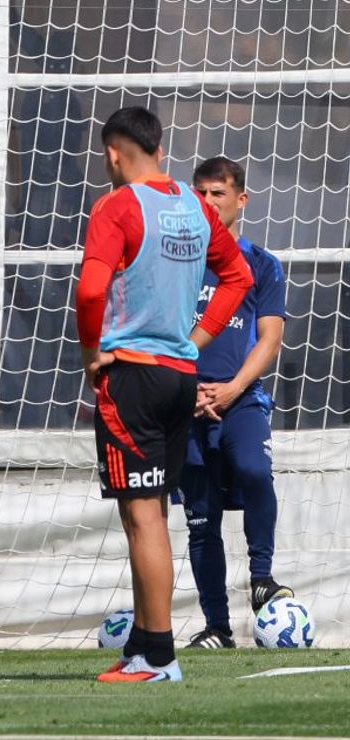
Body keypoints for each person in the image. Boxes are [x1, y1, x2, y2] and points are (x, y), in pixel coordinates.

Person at [75, 107, 253, 682]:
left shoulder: (116, 205)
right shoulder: (194, 206)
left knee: (143, 515)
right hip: (179, 377)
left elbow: (90, 291)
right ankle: (145, 644)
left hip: (132, 376)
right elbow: (238, 279)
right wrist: (196, 339)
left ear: (113, 152)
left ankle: (159, 658)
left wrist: (90, 353)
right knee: (145, 514)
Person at [178, 157, 291, 649]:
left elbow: (270, 339)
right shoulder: (176, 262)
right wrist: (187, 389)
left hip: (240, 399)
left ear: (239, 201)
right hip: (184, 401)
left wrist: (231, 388)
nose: (207, 203)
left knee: (254, 470)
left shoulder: (261, 264)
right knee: (201, 517)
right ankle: (217, 628)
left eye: (217, 194)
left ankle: (262, 575)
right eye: (199, 193)